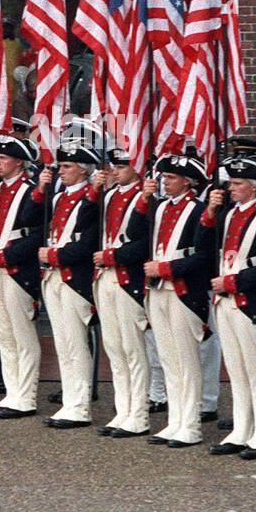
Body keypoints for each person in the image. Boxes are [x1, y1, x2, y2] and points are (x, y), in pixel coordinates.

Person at [205, 155, 256, 460]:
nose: (231, 188)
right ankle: (241, 429)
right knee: (235, 369)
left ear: (254, 188)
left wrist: (233, 282)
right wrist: (210, 211)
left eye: (238, 183)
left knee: (255, 370)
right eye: (231, 182)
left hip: (250, 302)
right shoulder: (229, 215)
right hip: (225, 300)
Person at [142, 153, 211, 448]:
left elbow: (204, 257)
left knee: (186, 360)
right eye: (164, 177)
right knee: (168, 358)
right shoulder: (160, 208)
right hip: (158, 289)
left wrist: (168, 268)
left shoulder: (198, 210)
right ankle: (175, 420)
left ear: (188, 181)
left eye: (171, 178)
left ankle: (191, 424)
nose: (164, 182)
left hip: (183, 291)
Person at [0, 135, 44, 419]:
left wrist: (5, 256)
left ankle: (25, 396)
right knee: (3, 335)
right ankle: (12, 391)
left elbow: (35, 234)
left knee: (21, 335)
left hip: (15, 270)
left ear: (19, 162)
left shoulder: (30, 191)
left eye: (3, 159)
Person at [36, 141, 101, 428]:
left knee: (76, 344)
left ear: (83, 170)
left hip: (74, 278)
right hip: (53, 276)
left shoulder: (92, 197)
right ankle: (70, 401)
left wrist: (55, 255)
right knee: (63, 343)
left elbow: (87, 242)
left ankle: (80, 405)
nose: (60, 171)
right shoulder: (59, 196)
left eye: (67, 166)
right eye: (60, 166)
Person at [93, 147, 150, 438]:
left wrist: (113, 257)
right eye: (114, 165)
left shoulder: (146, 198)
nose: (116, 170)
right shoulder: (110, 195)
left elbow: (143, 244)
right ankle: (122, 409)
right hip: (105, 277)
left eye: (123, 165)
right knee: (114, 348)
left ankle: (138, 413)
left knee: (132, 349)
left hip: (128, 278)